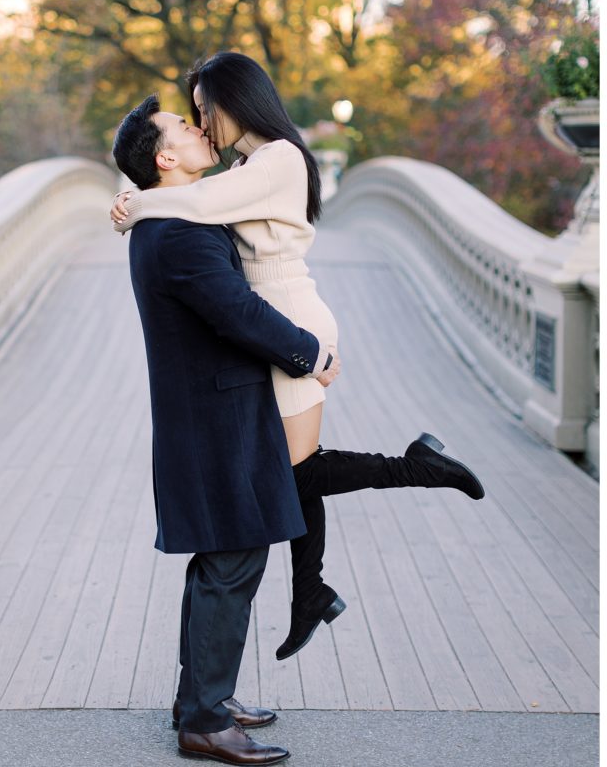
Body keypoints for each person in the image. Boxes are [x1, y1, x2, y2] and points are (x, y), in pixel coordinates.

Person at [111, 52, 485, 661]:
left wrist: (136, 204)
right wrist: (141, 197)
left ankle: (420, 468)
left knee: (288, 472)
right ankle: (310, 590)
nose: (203, 125)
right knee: (290, 468)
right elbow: (200, 203)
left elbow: (198, 205)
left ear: (236, 100)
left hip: (290, 316)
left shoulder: (278, 157)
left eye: (205, 111)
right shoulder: (247, 161)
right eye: (195, 117)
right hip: (276, 320)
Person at [111, 94, 340, 766]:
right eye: (184, 125)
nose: (198, 126)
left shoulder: (178, 217)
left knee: (225, 559)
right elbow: (235, 310)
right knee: (231, 558)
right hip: (213, 418)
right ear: (166, 158)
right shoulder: (178, 233)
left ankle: (204, 700)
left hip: (214, 411)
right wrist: (310, 354)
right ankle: (206, 719)